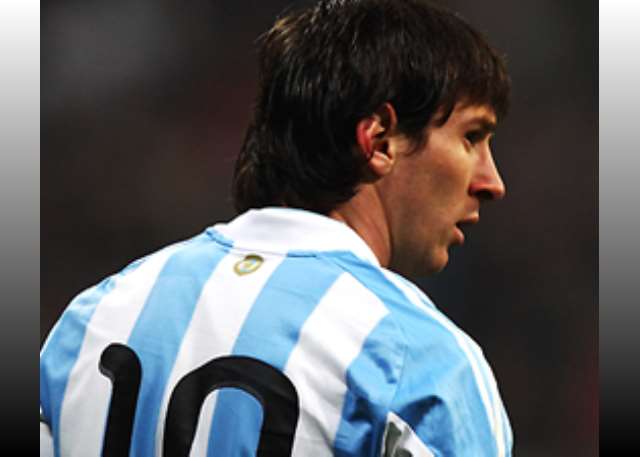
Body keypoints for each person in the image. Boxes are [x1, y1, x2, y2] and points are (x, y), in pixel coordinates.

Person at [40, 0, 513, 455]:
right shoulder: (416, 361)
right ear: (380, 139)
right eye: (471, 137)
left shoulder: (93, 320)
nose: (491, 182)